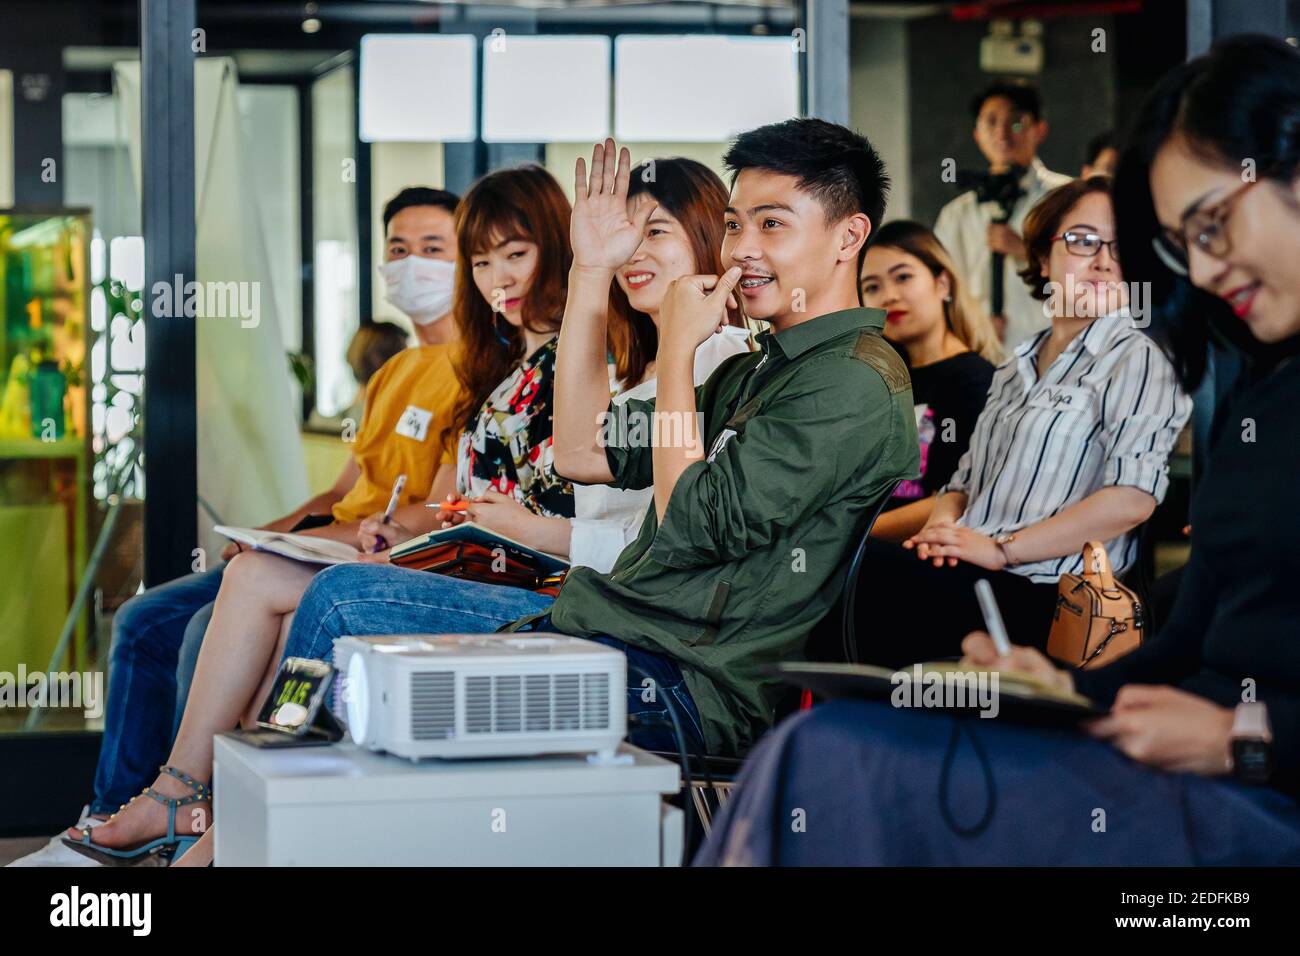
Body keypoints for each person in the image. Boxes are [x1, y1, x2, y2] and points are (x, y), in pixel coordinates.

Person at [697, 35, 1300, 866]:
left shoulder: (1146, 360)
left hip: (1249, 792)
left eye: (1211, 224)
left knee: (835, 759)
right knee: (842, 732)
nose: (1201, 264)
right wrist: (1058, 688)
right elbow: (1183, 644)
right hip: (1167, 750)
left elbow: (1130, 508)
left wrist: (1247, 737)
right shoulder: (1257, 399)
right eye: (1181, 241)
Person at [56, 164, 576, 868]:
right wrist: (288, 535)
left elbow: (527, 511)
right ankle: (181, 795)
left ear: (559, 246)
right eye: (482, 261)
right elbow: (385, 494)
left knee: (287, 605)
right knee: (242, 584)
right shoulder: (496, 368)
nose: (496, 279)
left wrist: (417, 537)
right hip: (442, 556)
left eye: (512, 254)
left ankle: (226, 814)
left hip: (506, 580)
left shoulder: (551, 363)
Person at [10, 186, 464, 868]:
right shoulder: (393, 373)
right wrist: (259, 533)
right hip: (311, 543)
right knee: (141, 619)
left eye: (434, 249)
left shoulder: (476, 373)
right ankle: (115, 811)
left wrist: (299, 548)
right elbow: (340, 492)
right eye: (399, 249)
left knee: (192, 632)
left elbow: (418, 516)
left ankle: (184, 817)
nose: (413, 264)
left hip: (355, 559)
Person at [853, 177, 1192, 668]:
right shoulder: (1016, 365)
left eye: (1123, 246)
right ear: (1040, 258)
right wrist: (940, 530)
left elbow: (1132, 499)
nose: (1103, 260)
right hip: (974, 572)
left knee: (860, 571)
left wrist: (1003, 550)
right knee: (851, 572)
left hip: (1052, 596)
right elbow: (963, 483)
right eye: (1081, 240)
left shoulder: (1139, 358)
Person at [858, 220, 1000, 542]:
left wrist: (851, 543)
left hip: (920, 553)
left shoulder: (975, 379)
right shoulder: (876, 378)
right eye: (872, 286)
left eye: (903, 277)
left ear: (942, 284)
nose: (888, 296)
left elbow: (956, 498)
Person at [935, 81, 1071, 350]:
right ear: (977, 134)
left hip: (1055, 348)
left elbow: (1097, 271)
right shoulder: (957, 214)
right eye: (991, 122)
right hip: (979, 351)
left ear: (1039, 129)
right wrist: (973, 325)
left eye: (1017, 123)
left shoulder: (1067, 197)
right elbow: (940, 288)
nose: (1003, 133)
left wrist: (1026, 251)